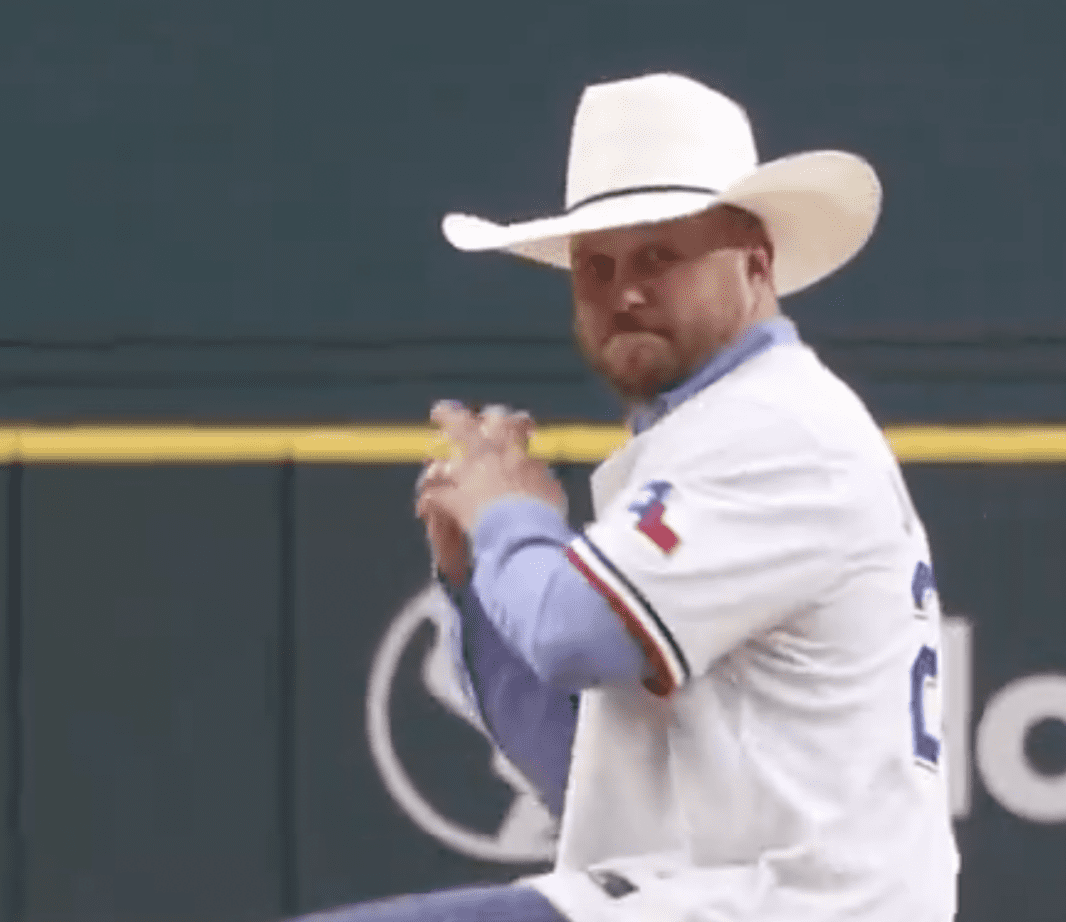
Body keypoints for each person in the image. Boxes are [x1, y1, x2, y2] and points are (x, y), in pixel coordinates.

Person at [299, 72, 959, 922]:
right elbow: (581, 771)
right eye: (596, 265)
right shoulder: (714, 430)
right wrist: (475, 579)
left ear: (756, 265)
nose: (624, 292)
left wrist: (511, 514)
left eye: (659, 255)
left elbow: (576, 631)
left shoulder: (776, 425)